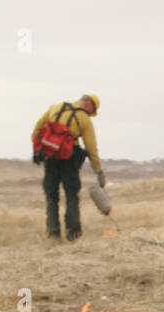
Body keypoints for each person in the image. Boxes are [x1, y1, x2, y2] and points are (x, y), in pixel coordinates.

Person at [32, 94, 105, 241]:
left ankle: (53, 233)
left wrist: (37, 151)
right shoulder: (83, 118)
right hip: (69, 159)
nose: (91, 113)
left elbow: (37, 129)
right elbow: (91, 148)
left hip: (50, 157)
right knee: (72, 196)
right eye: (93, 110)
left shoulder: (55, 108)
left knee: (51, 196)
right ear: (88, 104)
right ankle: (73, 233)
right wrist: (98, 171)